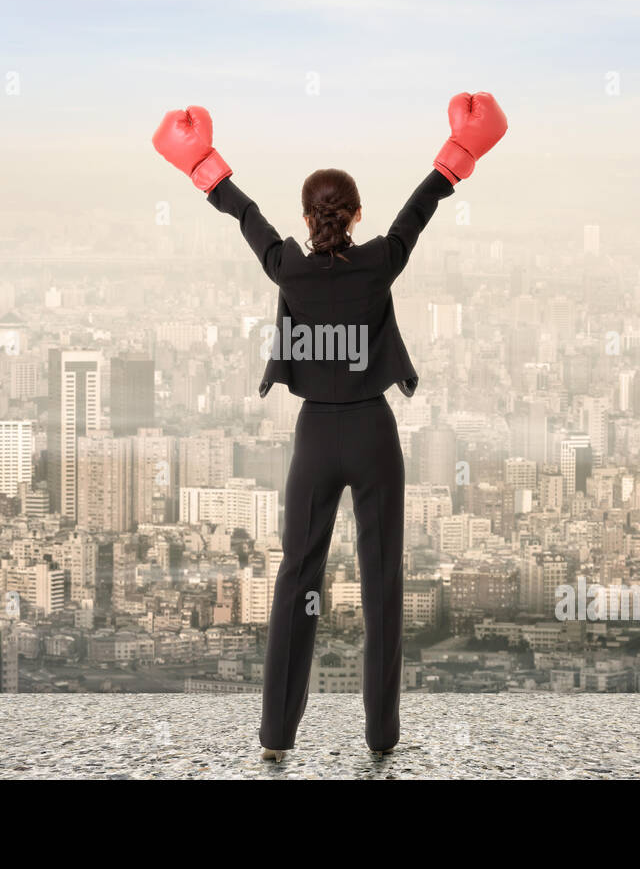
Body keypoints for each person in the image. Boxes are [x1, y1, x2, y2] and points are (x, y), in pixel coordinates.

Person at [153, 93, 507, 760]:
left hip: (315, 438)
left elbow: (243, 214)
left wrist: (200, 162)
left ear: (310, 219)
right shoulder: (378, 262)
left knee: (297, 582)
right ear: (355, 216)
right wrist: (459, 152)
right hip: (374, 434)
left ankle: (275, 741)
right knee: (382, 585)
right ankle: (381, 740)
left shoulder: (287, 266)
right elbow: (419, 211)